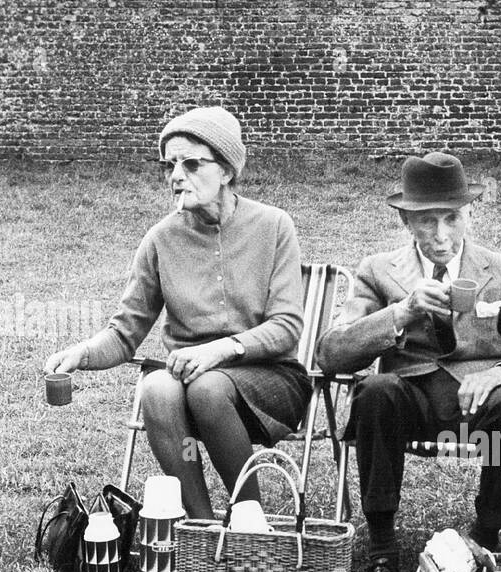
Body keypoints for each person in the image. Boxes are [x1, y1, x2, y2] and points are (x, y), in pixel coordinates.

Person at [317, 151, 501, 572]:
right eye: (427, 222)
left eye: (452, 219)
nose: (442, 236)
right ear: (406, 221)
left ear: (469, 214)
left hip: (479, 415)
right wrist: (401, 312)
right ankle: (381, 554)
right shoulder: (379, 271)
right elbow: (332, 353)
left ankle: (484, 539)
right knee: (375, 391)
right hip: (406, 408)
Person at [44, 106, 310, 519]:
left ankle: (249, 518)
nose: (175, 176)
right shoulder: (160, 239)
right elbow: (125, 332)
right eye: (170, 165)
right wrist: (82, 353)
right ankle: (201, 527)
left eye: (191, 163)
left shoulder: (274, 226)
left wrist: (219, 351)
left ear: (225, 170)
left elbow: (287, 327)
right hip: (189, 383)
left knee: (207, 388)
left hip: (269, 380)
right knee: (156, 388)